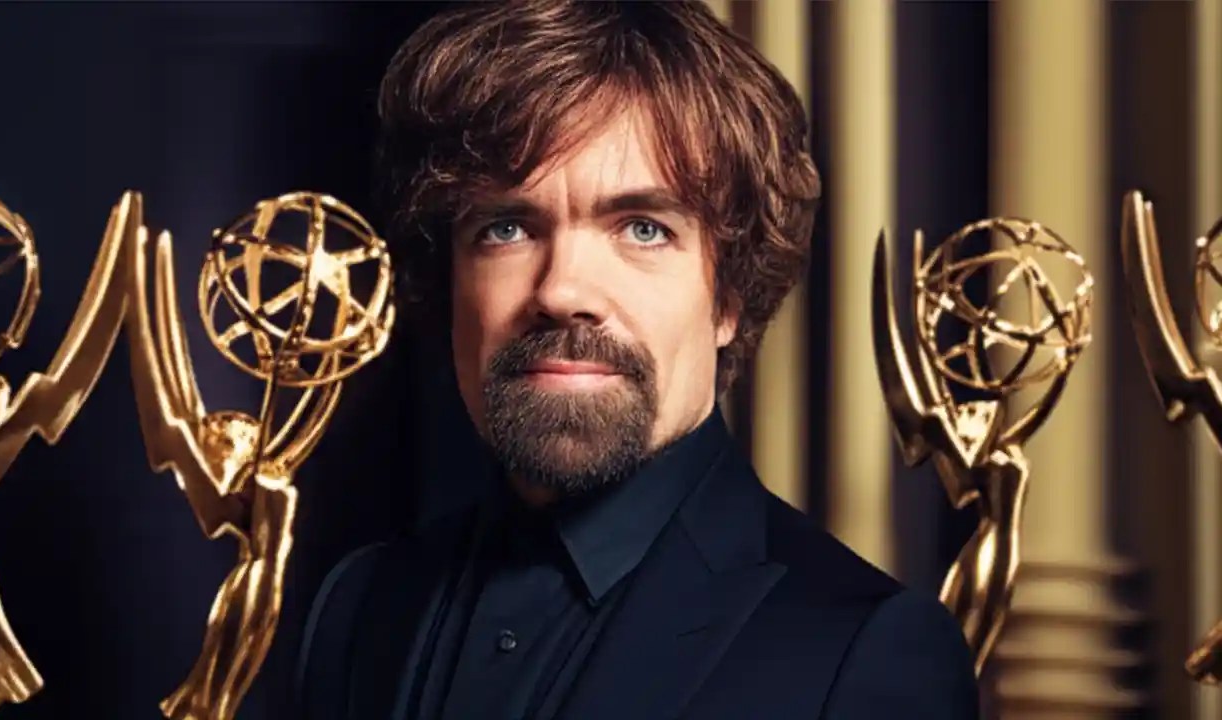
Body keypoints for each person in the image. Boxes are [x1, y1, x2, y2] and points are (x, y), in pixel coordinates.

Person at [296, 1, 980, 718]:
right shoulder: (357, 606)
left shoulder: (865, 652)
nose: (562, 291)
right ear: (450, 284)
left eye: (643, 229)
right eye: (507, 228)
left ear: (729, 298)